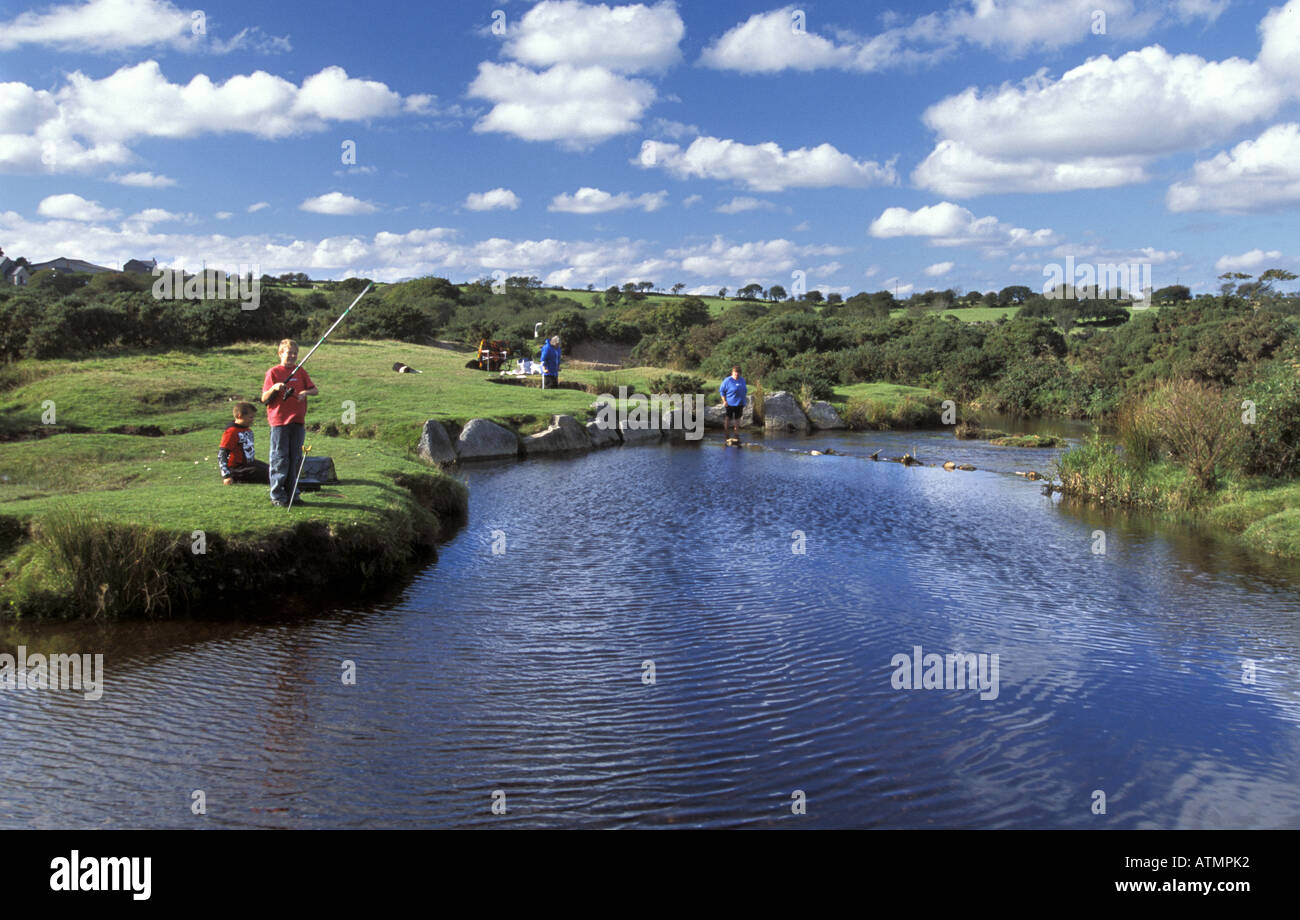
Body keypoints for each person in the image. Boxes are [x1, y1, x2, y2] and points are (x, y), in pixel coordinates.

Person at [261, 338, 318, 507]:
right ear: (280, 354)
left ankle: (293, 494)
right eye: (289, 353)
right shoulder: (273, 372)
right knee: (280, 459)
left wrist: (304, 393)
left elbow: (315, 390)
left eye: (295, 353)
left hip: (298, 421)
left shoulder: (300, 371)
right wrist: (274, 388)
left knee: (295, 459)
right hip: (279, 422)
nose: (292, 356)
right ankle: (278, 496)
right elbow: (264, 398)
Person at [218, 401, 270, 485]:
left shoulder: (247, 430)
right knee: (266, 474)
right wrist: (226, 476)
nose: (252, 420)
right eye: (250, 417)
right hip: (237, 468)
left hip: (249, 464)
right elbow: (222, 454)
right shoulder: (232, 432)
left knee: (272, 469)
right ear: (240, 416)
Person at [719, 366, 747, 438]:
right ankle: (726, 433)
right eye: (735, 373)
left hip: (740, 403)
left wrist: (744, 401)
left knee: (737, 418)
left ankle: (736, 434)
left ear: (740, 373)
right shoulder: (727, 380)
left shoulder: (742, 380)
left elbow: (744, 390)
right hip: (730, 403)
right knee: (728, 417)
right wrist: (724, 401)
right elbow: (722, 391)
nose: (736, 375)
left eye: (738, 373)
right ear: (732, 373)